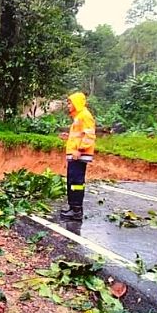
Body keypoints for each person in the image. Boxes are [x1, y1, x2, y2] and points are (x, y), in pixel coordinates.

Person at [60, 92, 96, 221]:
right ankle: (73, 207)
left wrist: (79, 150)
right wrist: (67, 137)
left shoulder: (85, 116)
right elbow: (79, 135)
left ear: (77, 103)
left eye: (70, 103)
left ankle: (76, 210)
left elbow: (89, 135)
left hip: (79, 155)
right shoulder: (79, 117)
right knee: (72, 181)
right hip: (75, 155)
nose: (68, 105)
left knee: (76, 182)